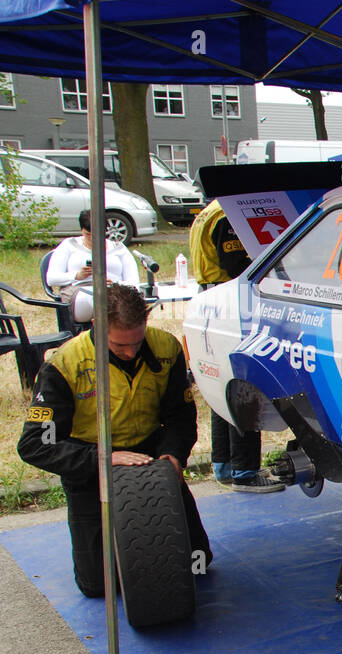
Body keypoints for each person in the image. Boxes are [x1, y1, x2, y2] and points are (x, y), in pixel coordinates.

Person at [17, 283, 211, 598]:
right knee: (98, 586)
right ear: (97, 325)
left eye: (137, 341)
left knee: (197, 564)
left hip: (150, 458)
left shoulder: (166, 349)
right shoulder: (64, 365)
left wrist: (174, 457)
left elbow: (180, 416)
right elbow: (36, 443)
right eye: (120, 345)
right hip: (90, 464)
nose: (131, 351)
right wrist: (103, 459)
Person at [190, 198, 283, 493]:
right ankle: (244, 470)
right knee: (242, 382)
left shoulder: (211, 211)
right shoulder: (228, 214)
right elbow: (236, 266)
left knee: (221, 386)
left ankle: (225, 465)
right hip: (232, 302)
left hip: (215, 300)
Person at [45, 209, 140, 296]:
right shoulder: (69, 245)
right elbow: (51, 279)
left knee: (119, 303)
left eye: (97, 234)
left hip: (113, 291)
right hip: (79, 291)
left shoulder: (118, 248)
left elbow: (134, 281)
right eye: (88, 234)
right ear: (81, 230)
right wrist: (77, 276)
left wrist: (115, 284)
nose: (93, 238)